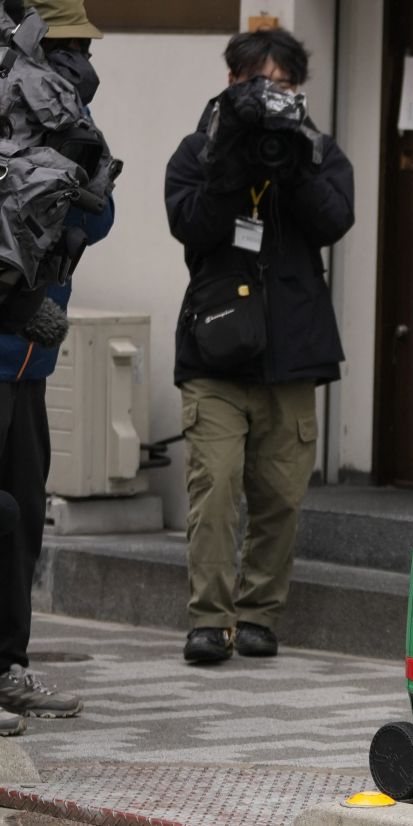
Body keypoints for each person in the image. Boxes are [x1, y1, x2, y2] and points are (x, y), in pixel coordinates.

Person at [165, 27, 354, 664]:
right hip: (216, 353)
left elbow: (334, 221)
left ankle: (257, 615)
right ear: (231, 82)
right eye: (256, 83)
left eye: (280, 84)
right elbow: (190, 225)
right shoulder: (200, 150)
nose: (268, 95)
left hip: (293, 353)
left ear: (297, 88)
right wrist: (233, 163)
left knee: (279, 495)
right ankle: (209, 620)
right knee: (214, 487)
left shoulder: (317, 150)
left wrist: (292, 163)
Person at [0, 0, 114, 736]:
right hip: (8, 346)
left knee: (21, 518)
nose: (82, 61)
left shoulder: (64, 119)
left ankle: (9, 664)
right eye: (70, 44)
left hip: (31, 363)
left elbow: (95, 222)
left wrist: (82, 186)